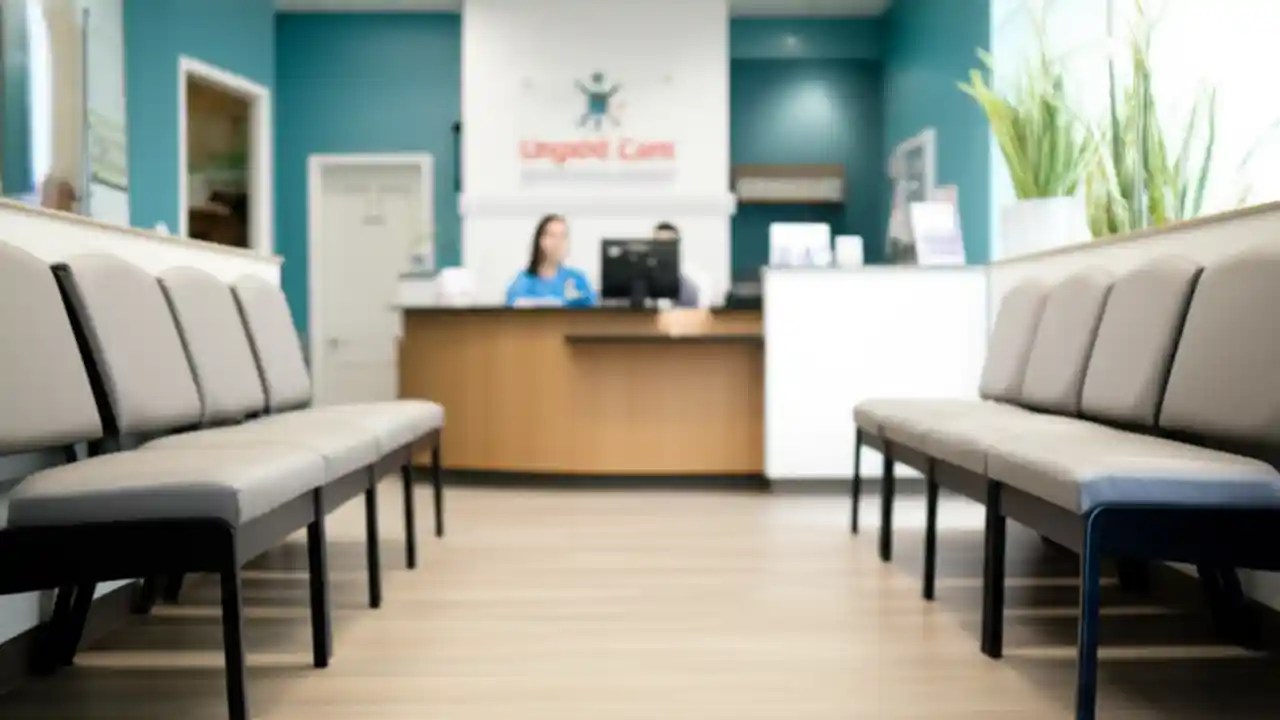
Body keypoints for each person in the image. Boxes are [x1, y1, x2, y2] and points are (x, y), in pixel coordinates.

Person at [505, 214, 598, 307]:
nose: (558, 242)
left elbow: (593, 313)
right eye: (552, 235)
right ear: (539, 241)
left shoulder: (578, 279)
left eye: (563, 236)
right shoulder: (523, 282)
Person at [653, 221, 700, 308]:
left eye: (669, 243)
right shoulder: (637, 284)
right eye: (659, 243)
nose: (664, 249)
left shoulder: (688, 288)